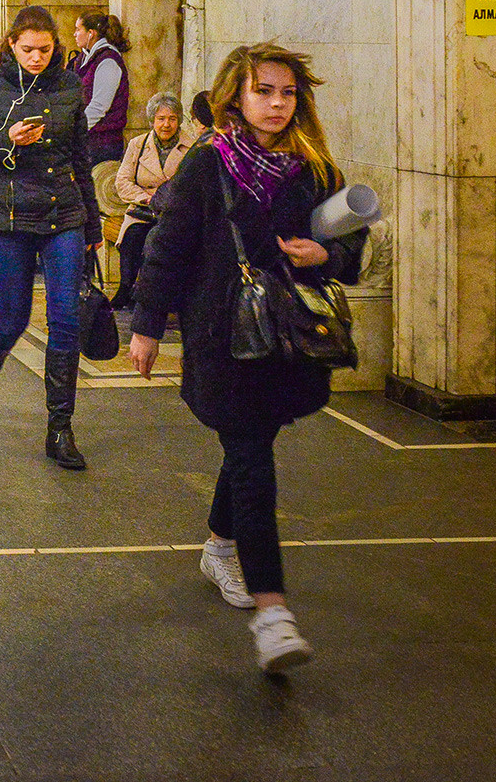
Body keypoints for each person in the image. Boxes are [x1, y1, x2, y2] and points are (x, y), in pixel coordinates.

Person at [129, 44, 366, 673]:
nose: (277, 104)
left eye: (287, 93)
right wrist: (147, 327)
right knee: (254, 461)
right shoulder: (209, 164)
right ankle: (273, 613)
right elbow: (168, 248)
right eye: (264, 91)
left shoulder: (312, 166)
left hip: (286, 334)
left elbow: (352, 248)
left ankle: (218, 544)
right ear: (237, 96)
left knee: (251, 446)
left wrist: (327, 258)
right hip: (221, 335)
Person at [0, 6, 103, 470]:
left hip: (63, 215)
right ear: (12, 45)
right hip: (8, 219)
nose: (37, 57)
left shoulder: (69, 85)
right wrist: (6, 139)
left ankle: (60, 427)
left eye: (45, 49)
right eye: (27, 50)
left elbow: (82, 158)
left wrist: (93, 227)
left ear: (56, 46)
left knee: (64, 321)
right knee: (13, 316)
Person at [112, 92, 198, 308]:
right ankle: (126, 287)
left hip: (175, 213)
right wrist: (146, 197)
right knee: (133, 237)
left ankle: (157, 296)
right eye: (161, 119)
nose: (166, 124)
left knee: (163, 241)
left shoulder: (193, 147)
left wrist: (169, 200)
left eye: (172, 118)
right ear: (152, 121)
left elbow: (195, 186)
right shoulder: (137, 144)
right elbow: (122, 181)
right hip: (143, 210)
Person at [74, 12, 132, 216]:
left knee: (94, 203)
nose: (74, 34)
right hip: (87, 141)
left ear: (91, 33)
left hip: (102, 143)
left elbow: (99, 105)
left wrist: (75, 130)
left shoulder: (108, 61)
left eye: (78, 29)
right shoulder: (83, 57)